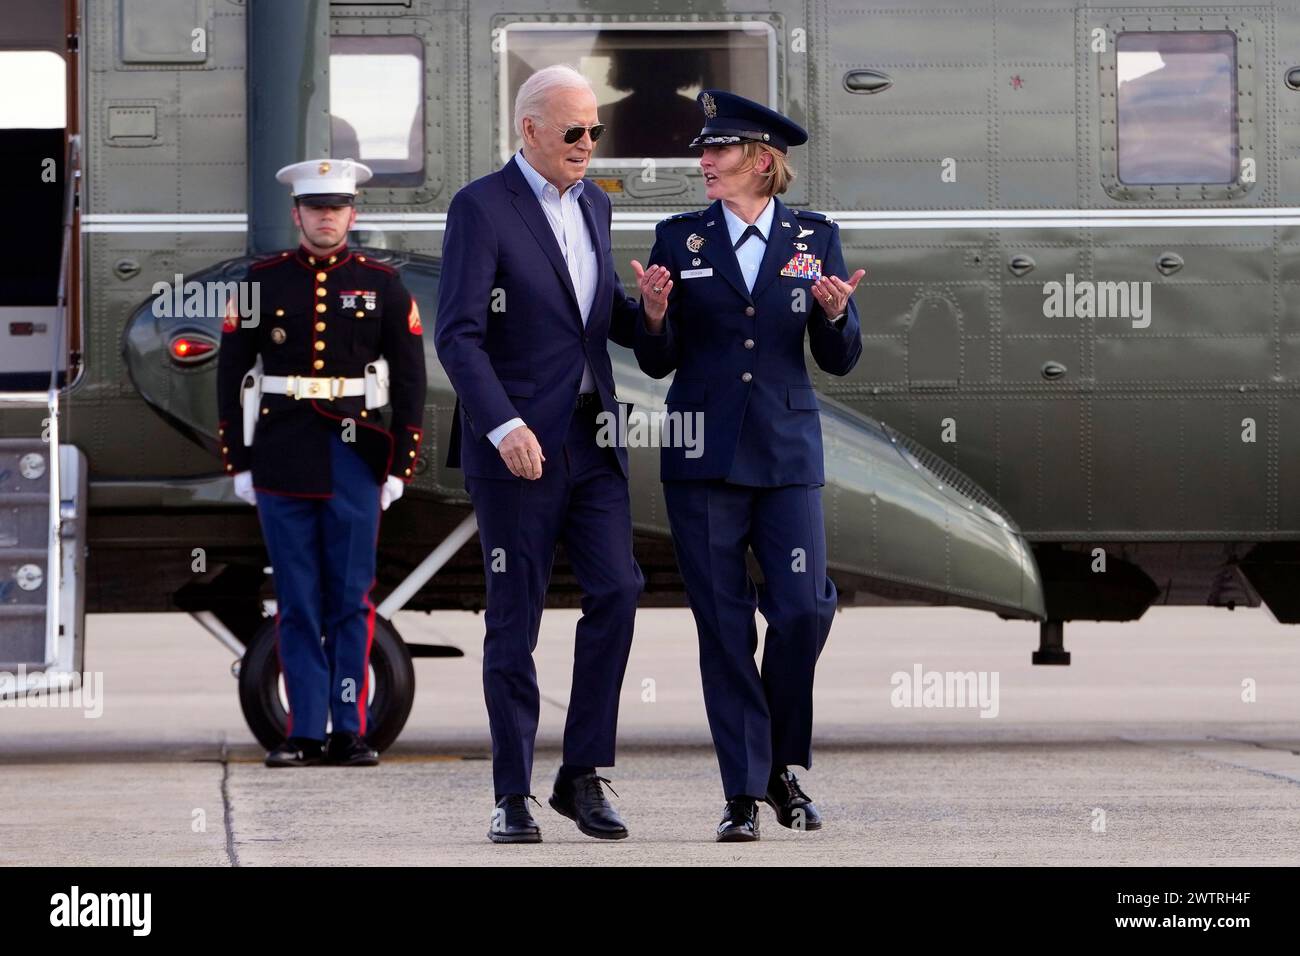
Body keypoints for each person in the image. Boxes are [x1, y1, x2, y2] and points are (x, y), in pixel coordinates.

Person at [632, 90, 865, 841]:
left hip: (786, 450)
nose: (704, 163)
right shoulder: (679, 239)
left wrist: (835, 315)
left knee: (803, 609)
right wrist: (657, 317)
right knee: (724, 627)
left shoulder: (815, 237)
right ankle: (745, 792)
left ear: (761, 161)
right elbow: (657, 359)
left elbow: (840, 359)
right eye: (703, 151)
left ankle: (772, 762)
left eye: (718, 151)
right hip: (702, 453)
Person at [434, 65, 644, 843]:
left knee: (619, 592)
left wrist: (648, 309)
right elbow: (458, 333)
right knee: (513, 620)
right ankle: (511, 793)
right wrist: (503, 426)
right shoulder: (481, 207)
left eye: (595, 131)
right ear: (530, 131)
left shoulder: (595, 204)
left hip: (592, 440)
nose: (588, 145)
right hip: (517, 451)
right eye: (574, 132)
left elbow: (597, 317)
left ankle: (582, 774)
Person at [216, 157, 427, 768]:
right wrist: (239, 461)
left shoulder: (382, 284)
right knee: (298, 601)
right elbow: (231, 373)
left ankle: (349, 730)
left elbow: (410, 377)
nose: (326, 217)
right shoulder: (260, 282)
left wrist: (399, 466)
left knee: (351, 600)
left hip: (355, 457)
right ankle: (303, 731)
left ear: (351, 214)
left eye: (336, 208)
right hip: (281, 455)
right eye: (315, 208)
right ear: (297, 213)